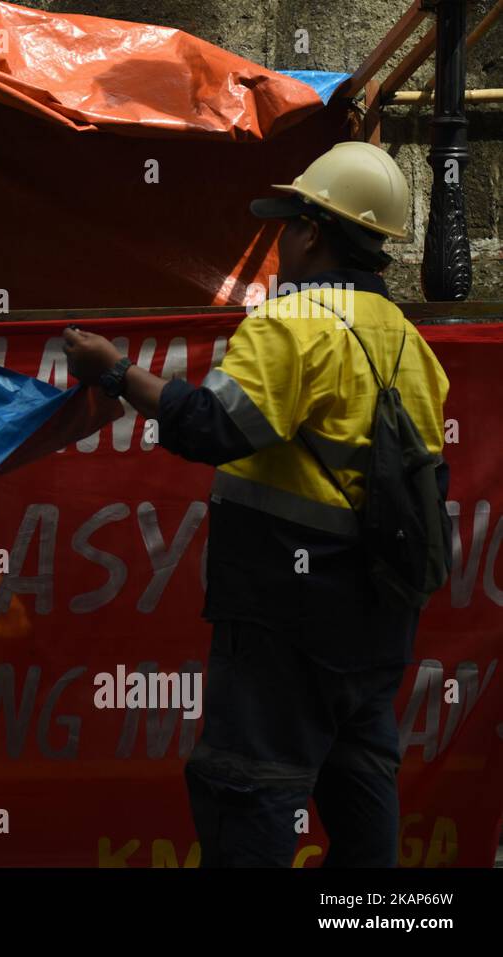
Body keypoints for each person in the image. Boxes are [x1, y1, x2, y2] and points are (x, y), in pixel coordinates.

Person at [62, 141, 451, 867]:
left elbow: (215, 427)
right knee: (363, 792)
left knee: (250, 794)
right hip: (379, 624)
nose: (279, 240)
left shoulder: (290, 325)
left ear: (311, 230)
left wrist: (113, 372)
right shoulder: (411, 344)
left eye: (286, 223)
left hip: (285, 620)